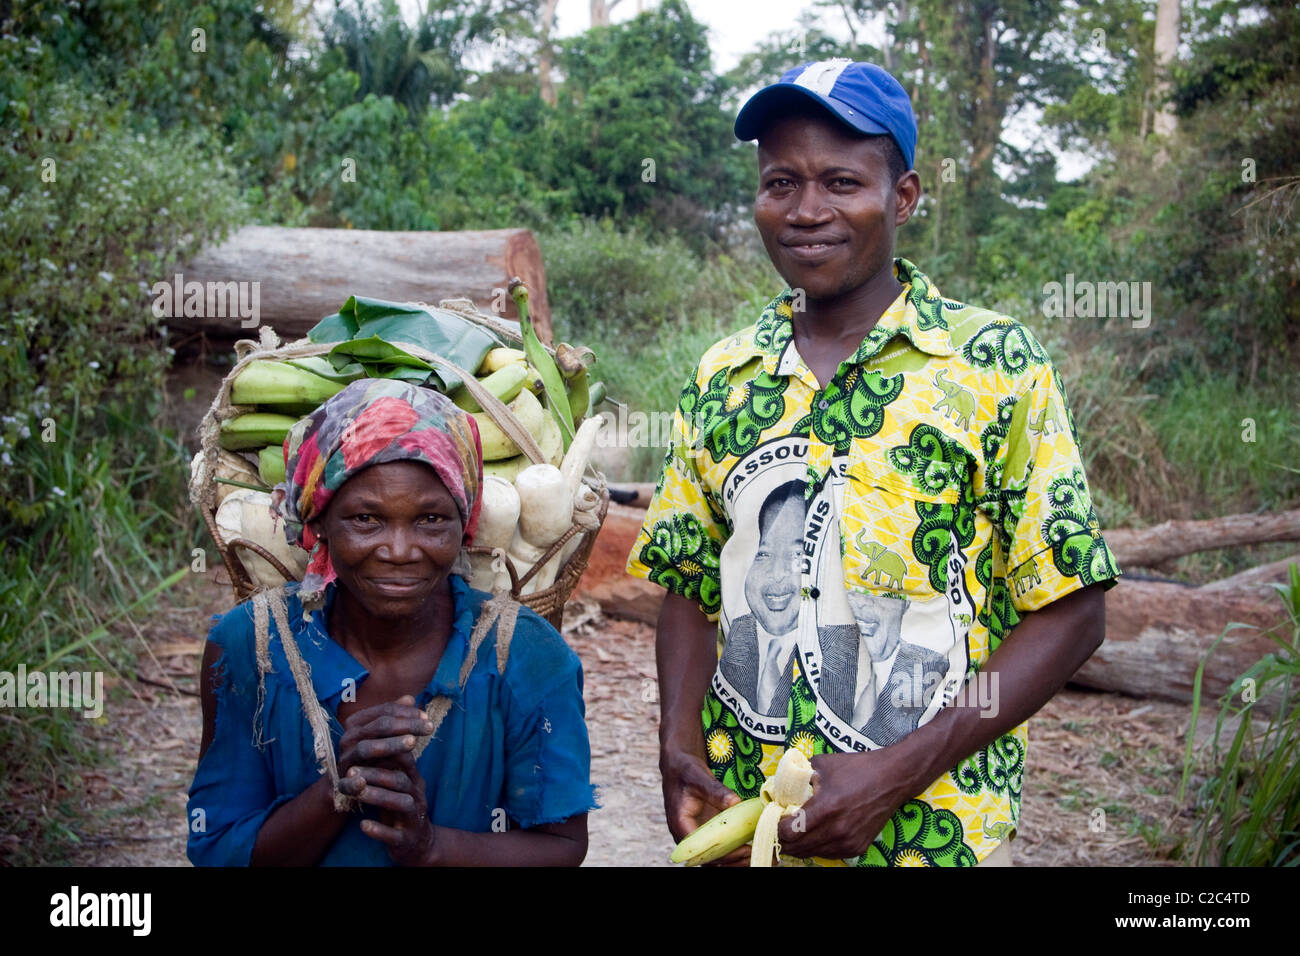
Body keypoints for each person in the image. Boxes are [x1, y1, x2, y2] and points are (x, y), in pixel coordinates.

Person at [627, 59, 1121, 867]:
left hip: (932, 833)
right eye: (781, 182)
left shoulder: (991, 365)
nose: (808, 211)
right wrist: (675, 740)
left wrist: (895, 774)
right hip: (742, 826)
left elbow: (1073, 611)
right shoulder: (723, 375)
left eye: (842, 181)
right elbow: (685, 579)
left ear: (903, 196)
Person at [187, 379, 596, 866]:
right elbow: (217, 847)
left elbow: (562, 847)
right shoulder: (248, 646)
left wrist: (433, 849)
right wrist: (339, 788)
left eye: (430, 520)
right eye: (365, 519)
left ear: (465, 526)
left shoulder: (527, 655)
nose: (400, 552)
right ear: (316, 523)